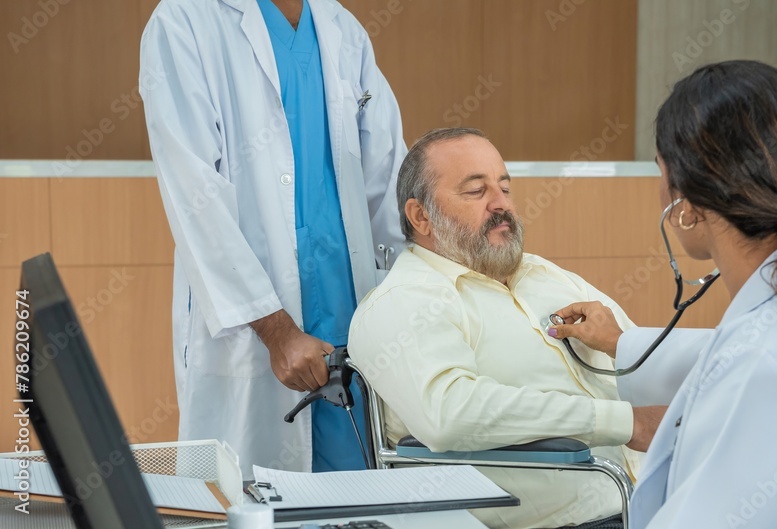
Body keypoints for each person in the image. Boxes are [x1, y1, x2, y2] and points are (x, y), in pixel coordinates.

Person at [550, 60, 777, 528]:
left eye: (662, 174)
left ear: (686, 205)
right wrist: (621, 343)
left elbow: (750, 367)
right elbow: (722, 352)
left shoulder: (768, 365)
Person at [348, 128, 665, 529]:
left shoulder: (545, 275)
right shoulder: (404, 302)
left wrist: (623, 345)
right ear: (420, 216)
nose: (501, 205)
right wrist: (624, 423)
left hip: (657, 499)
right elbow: (450, 412)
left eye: (505, 188)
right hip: (576, 520)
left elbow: (652, 366)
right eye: (476, 191)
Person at [139, 0, 406, 475]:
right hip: (261, 327)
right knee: (256, 499)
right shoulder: (185, 20)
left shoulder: (342, 28)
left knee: (358, 497)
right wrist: (276, 330)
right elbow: (195, 195)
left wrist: (413, 299)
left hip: (352, 320)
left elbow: (387, 177)